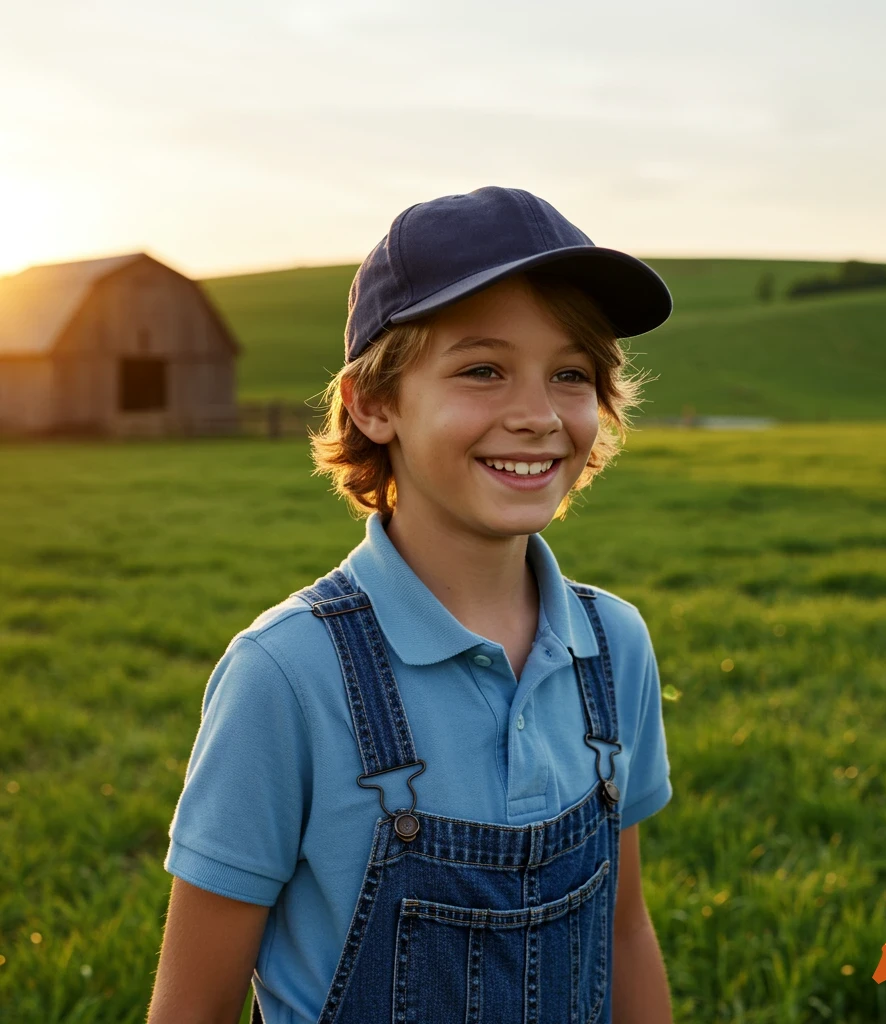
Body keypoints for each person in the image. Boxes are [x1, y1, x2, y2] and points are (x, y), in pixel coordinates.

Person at [148, 185, 676, 1024]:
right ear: (374, 403)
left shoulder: (613, 645)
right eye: (483, 370)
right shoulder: (287, 674)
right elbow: (193, 1010)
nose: (538, 415)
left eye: (571, 374)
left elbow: (623, 930)